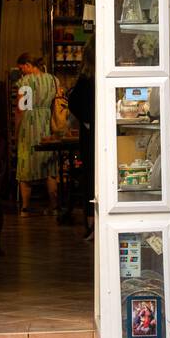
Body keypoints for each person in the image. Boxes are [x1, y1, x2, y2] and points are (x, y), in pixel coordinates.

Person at [14, 53, 59, 215]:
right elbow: (56, 104)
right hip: (47, 125)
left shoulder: (26, 82)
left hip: (29, 126)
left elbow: (21, 108)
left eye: (22, 68)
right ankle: (54, 207)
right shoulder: (53, 80)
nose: (22, 72)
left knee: (25, 165)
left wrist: (16, 130)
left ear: (27, 65)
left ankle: (25, 208)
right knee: (50, 168)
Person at [66, 39, 95, 238]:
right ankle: (93, 223)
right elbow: (74, 102)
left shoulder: (85, 77)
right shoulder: (91, 78)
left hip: (89, 135)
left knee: (90, 178)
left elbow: (73, 102)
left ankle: (91, 222)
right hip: (95, 133)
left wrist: (87, 122)